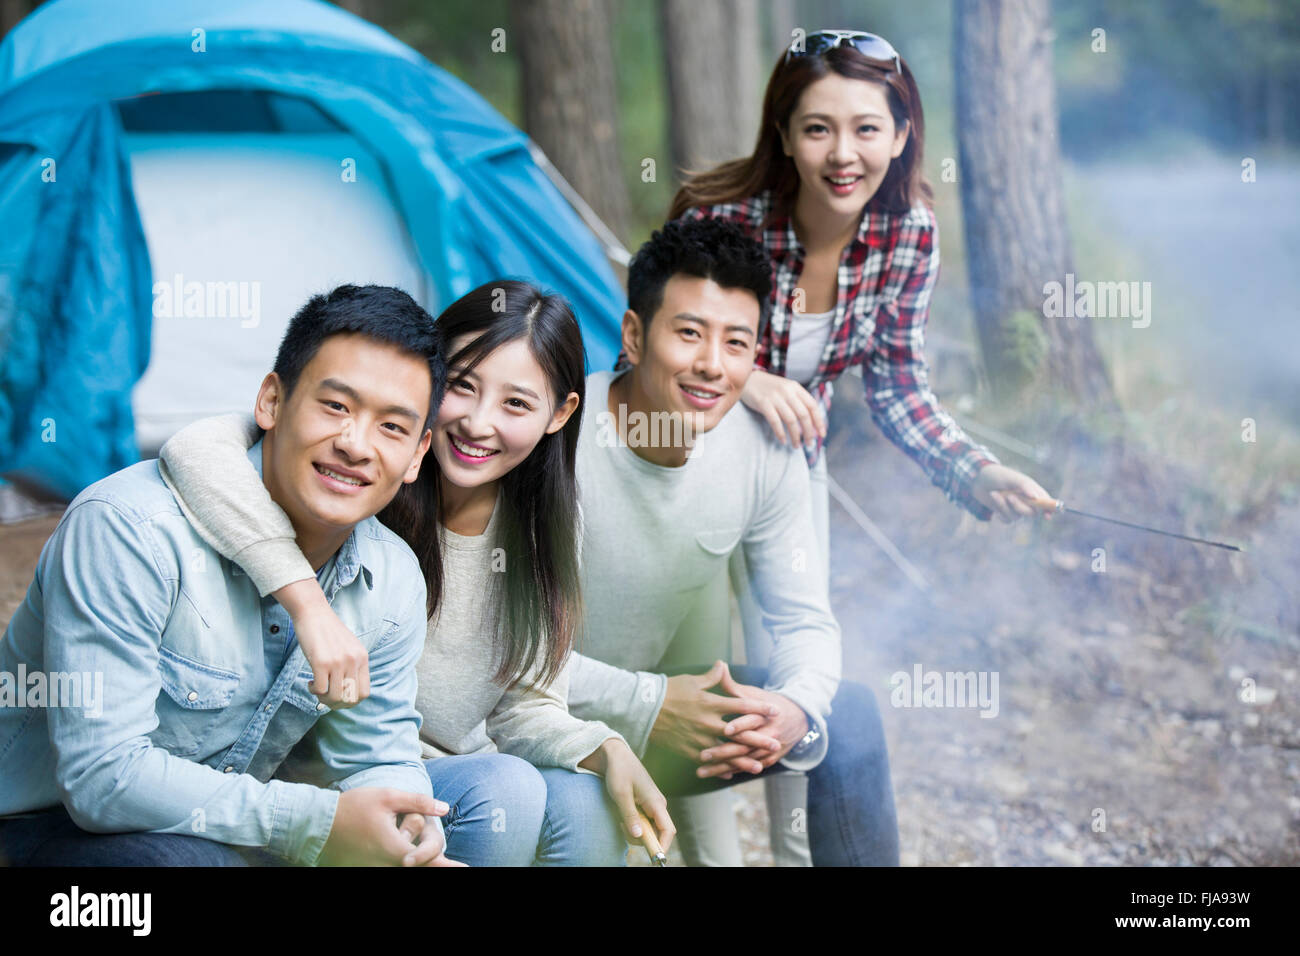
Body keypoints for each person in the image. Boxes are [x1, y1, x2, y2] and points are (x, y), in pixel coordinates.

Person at [641, 28, 1053, 865]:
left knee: (800, 681)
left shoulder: (909, 233)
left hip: (791, 481)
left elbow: (899, 382)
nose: (843, 153)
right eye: (818, 127)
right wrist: (744, 377)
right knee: (701, 683)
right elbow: (644, 356)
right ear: (785, 135)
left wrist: (971, 471)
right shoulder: (720, 218)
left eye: (867, 128)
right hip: (683, 473)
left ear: (901, 135)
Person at [156, 281, 673, 866]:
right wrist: (308, 603)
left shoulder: (543, 525)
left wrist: (604, 745)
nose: (478, 423)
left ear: (560, 414)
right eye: (461, 386)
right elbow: (201, 449)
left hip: (444, 769)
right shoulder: (365, 473)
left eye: (516, 404)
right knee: (507, 788)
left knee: (583, 801)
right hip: (330, 773)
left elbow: (527, 702)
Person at [0, 284, 456, 867]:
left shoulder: (391, 576)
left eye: (392, 428)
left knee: (491, 802)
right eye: (336, 406)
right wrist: (312, 822)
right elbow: (100, 779)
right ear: (271, 400)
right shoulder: (129, 529)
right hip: (49, 827)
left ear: (418, 455)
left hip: (233, 820)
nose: (355, 444)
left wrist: (410, 829)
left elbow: (374, 751)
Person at [566, 217, 898, 866]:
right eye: (688, 333)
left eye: (736, 343)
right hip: (543, 725)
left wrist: (794, 707)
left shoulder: (763, 449)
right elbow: (498, 657)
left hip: (666, 715)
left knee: (848, 717)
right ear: (634, 336)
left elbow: (804, 620)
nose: (711, 365)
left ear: (756, 354)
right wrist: (653, 701)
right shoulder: (559, 438)